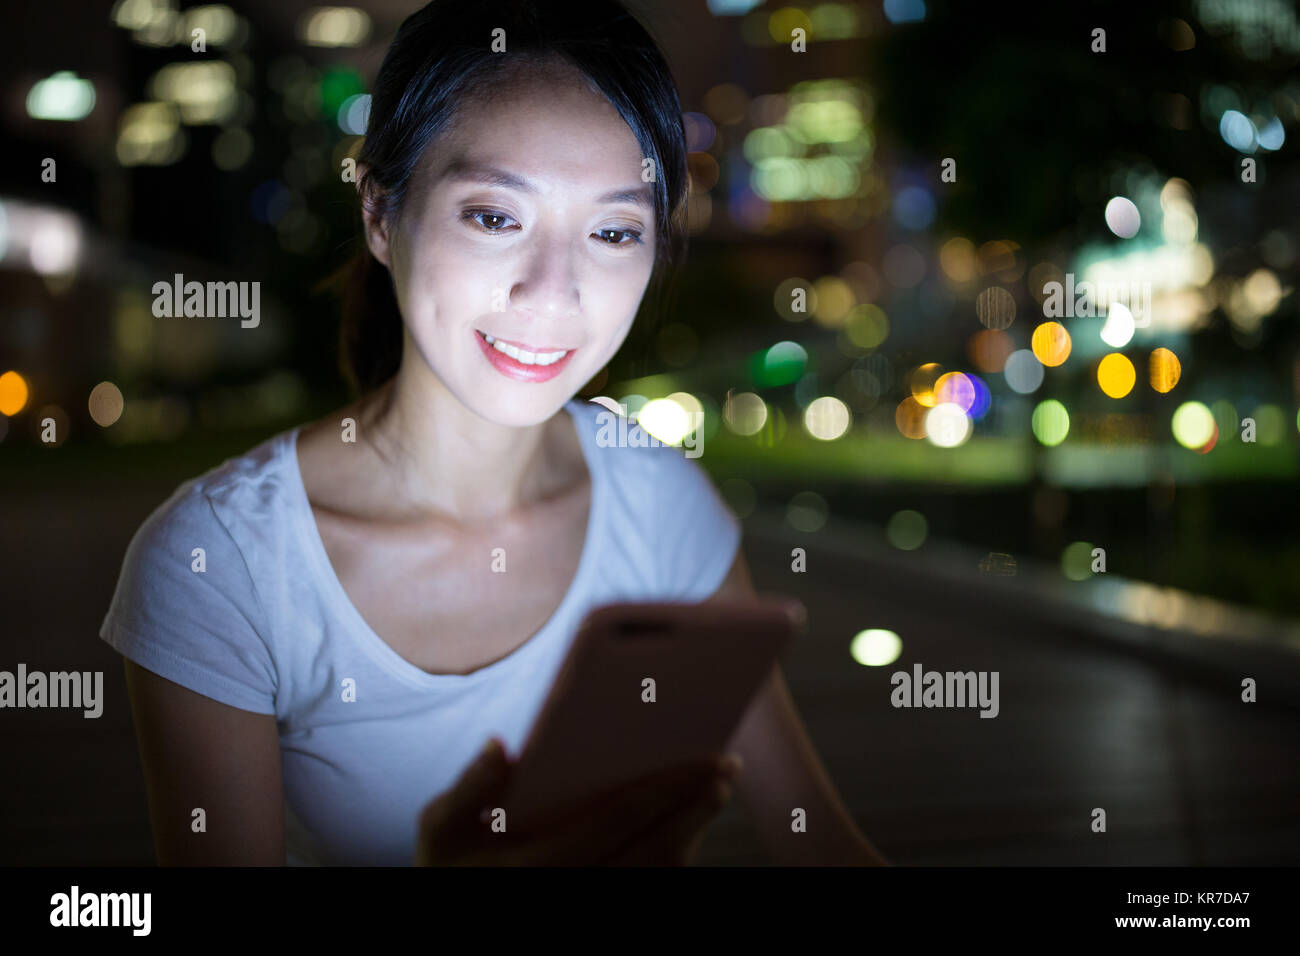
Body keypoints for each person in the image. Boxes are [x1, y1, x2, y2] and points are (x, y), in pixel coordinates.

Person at [100, 0, 888, 866]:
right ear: (379, 213)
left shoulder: (656, 497)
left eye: (614, 231)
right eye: (494, 217)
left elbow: (821, 843)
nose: (553, 293)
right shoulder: (224, 562)